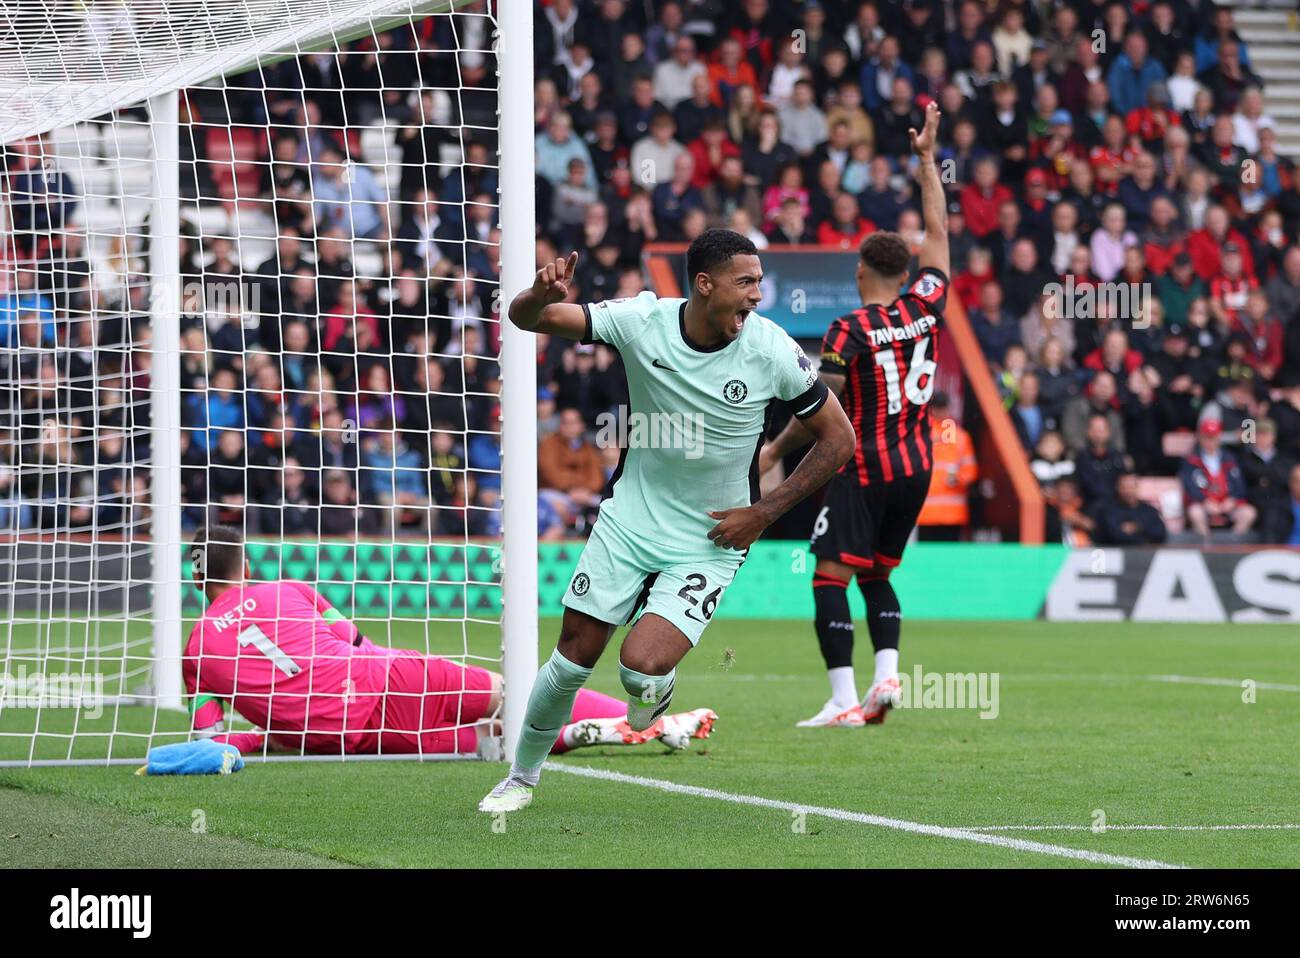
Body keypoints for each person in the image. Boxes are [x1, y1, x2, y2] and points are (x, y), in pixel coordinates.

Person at [480, 229, 855, 812]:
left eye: (760, 281)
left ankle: (654, 692)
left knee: (641, 667)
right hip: (631, 518)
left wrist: (762, 513)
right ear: (705, 285)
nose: (758, 295)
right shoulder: (642, 320)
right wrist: (536, 291)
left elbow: (839, 440)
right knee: (573, 655)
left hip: (711, 536)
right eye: (746, 282)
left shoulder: (772, 350)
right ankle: (521, 778)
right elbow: (528, 319)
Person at [185, 526, 717, 759]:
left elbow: (209, 740)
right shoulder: (286, 589)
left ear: (196, 582)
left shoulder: (196, 651)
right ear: (247, 566)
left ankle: (583, 736)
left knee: (488, 742)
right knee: (512, 695)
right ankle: (659, 722)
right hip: (381, 678)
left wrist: (265, 738)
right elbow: (353, 639)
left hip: (340, 738)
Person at [759, 102, 949, 729]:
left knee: (830, 577)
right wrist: (926, 162)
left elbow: (824, 406)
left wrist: (777, 450)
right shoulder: (928, 303)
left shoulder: (849, 327)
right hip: (918, 465)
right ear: (908, 273)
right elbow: (940, 237)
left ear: (862, 269)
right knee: (879, 575)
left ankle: (843, 700)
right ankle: (887, 675)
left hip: (862, 468)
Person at [1091, 472, 1168, 545]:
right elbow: (1114, 535)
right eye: (1124, 488)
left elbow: (1160, 533)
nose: (1128, 491)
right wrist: (1144, 540)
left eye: (1131, 487)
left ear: (1137, 487)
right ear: (1117, 488)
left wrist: (1138, 527)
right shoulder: (1108, 510)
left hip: (1144, 556)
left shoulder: (1149, 511)